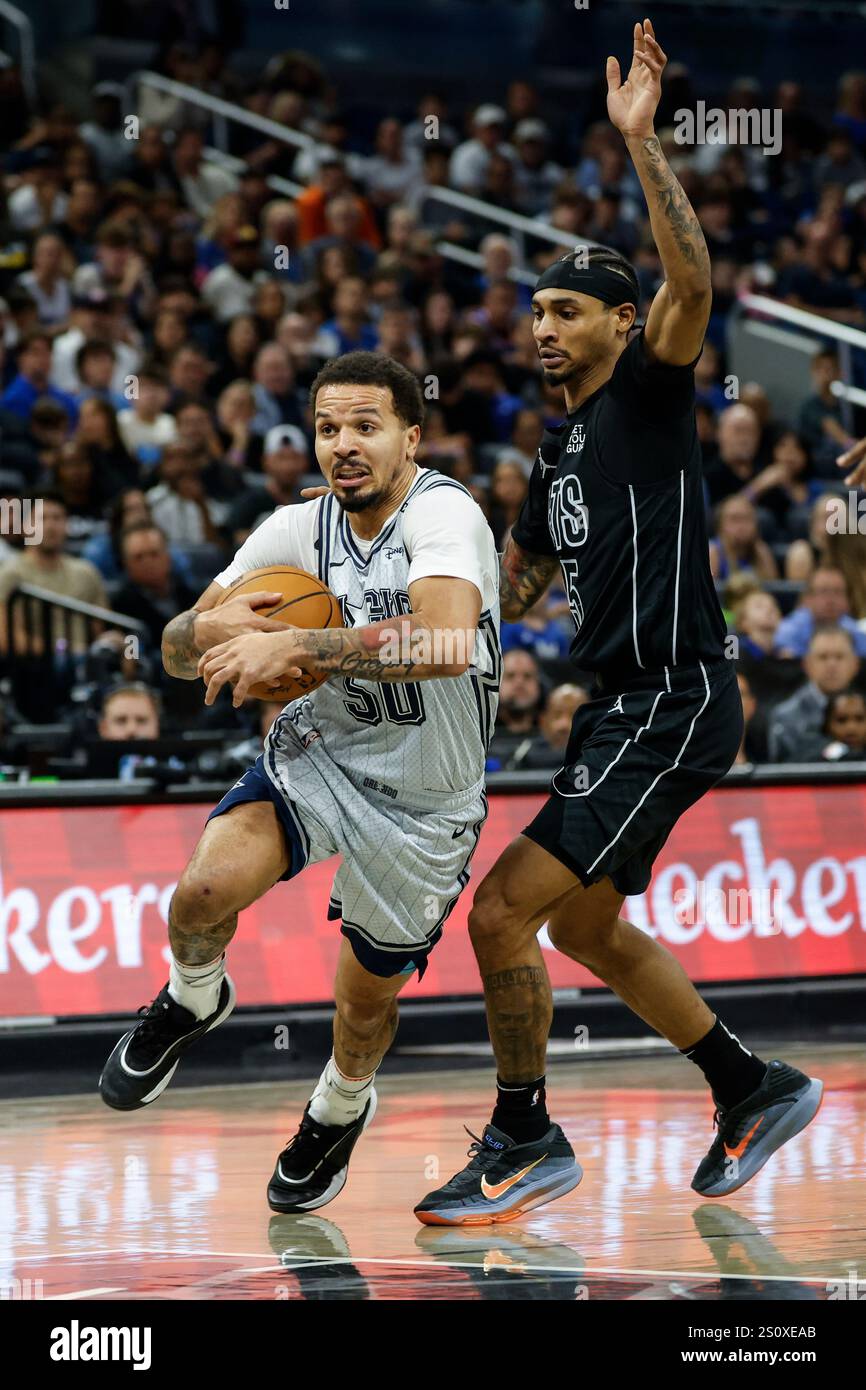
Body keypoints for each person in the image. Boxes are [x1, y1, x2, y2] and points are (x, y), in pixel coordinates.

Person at [415, 21, 822, 1227]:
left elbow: (692, 283)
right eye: (532, 311)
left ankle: (525, 1136)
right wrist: (401, 609)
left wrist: (641, 144)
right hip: (622, 706)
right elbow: (513, 581)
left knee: (500, 910)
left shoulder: (648, 393)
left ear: (613, 320)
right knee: (583, 923)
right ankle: (750, 1087)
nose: (538, 328)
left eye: (560, 311)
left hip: (677, 693)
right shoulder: (556, 453)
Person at [98, 351, 501, 1218]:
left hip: (427, 802)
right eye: (327, 429)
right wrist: (205, 626)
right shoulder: (292, 532)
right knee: (199, 894)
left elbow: (444, 643)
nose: (343, 446)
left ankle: (339, 1107)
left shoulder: (446, 516)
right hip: (320, 754)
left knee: (359, 1013)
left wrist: (300, 648)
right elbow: (173, 649)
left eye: (365, 426)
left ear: (410, 436)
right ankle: (194, 997)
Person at [768, 625, 861, 762]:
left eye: (839, 657)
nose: (831, 665)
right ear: (807, 664)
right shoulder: (785, 716)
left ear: (855, 664)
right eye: (823, 657)